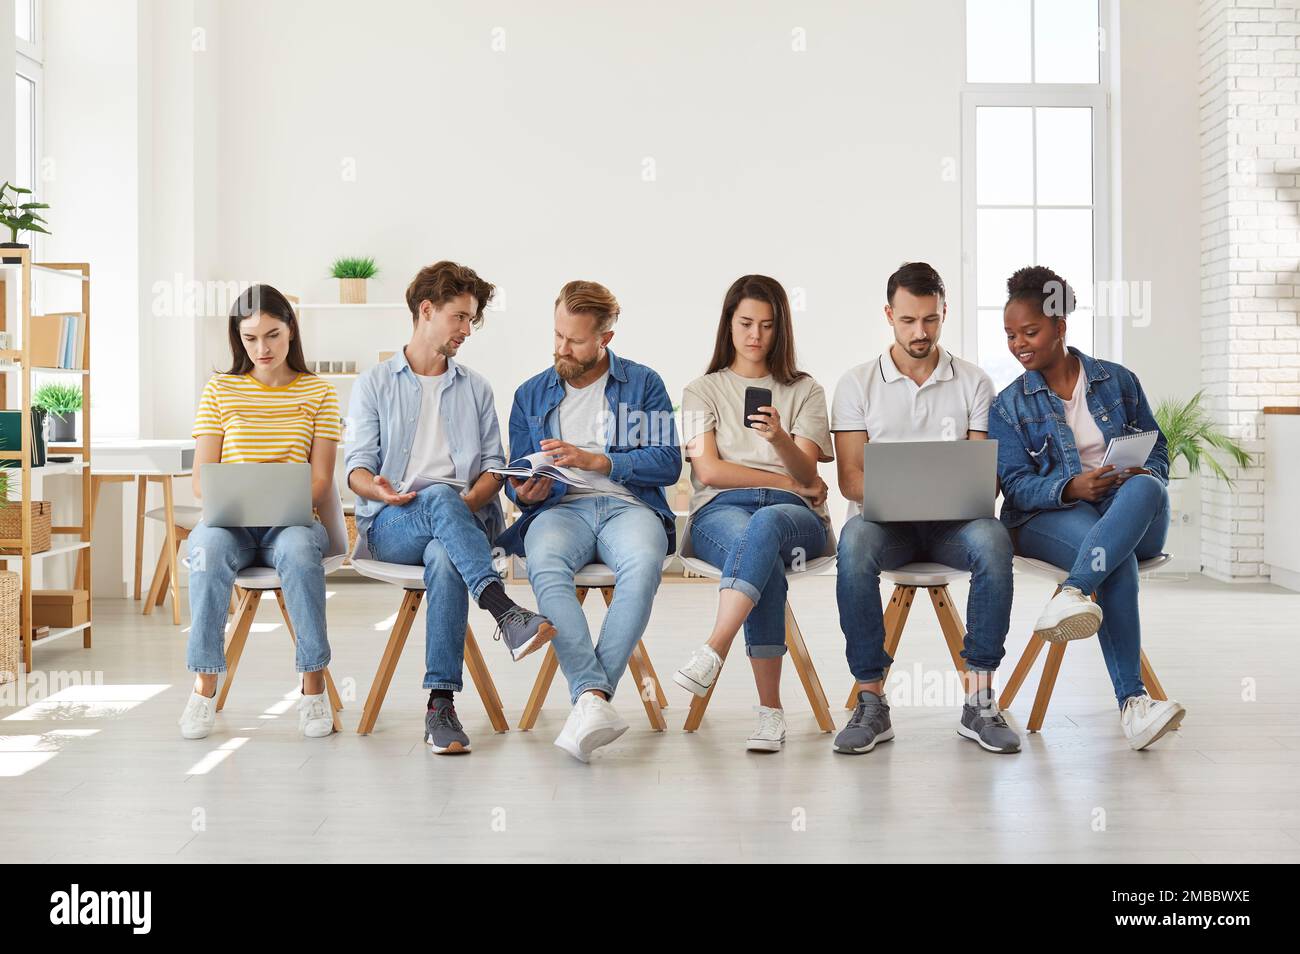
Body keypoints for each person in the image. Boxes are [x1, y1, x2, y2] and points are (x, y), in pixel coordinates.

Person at [345, 261, 554, 755]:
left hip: (458, 524)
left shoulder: (476, 388)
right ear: (426, 310)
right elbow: (355, 469)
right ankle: (502, 608)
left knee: (444, 551)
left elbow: (493, 468)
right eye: (459, 317)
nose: (466, 330)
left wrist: (467, 501)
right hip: (393, 524)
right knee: (438, 497)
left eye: (471, 320)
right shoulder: (375, 384)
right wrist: (378, 490)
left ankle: (441, 707)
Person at [989, 264, 1186, 750]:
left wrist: (1143, 471)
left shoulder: (1117, 381)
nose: (1019, 344)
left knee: (1147, 488)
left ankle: (1072, 593)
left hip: (1129, 512)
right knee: (1110, 561)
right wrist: (1071, 487)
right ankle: (1134, 706)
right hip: (1057, 517)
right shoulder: (1008, 405)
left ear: (1060, 325)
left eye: (1030, 331)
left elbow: (1158, 449)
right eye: (1010, 335)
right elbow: (1013, 487)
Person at [832, 262, 1020, 755]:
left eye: (931, 320)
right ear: (889, 315)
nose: (920, 332)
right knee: (852, 543)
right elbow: (850, 479)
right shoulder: (856, 384)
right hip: (882, 527)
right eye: (909, 320)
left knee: (994, 539)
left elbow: (982, 475)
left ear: (944, 313)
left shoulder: (975, 382)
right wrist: (895, 497)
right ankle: (870, 702)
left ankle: (979, 700)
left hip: (950, 527)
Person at [500, 280, 681, 762]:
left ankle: (587, 698)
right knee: (545, 565)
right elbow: (516, 474)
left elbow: (668, 462)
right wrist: (523, 489)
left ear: (605, 339)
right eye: (557, 335)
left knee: (643, 566)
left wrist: (599, 461)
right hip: (560, 509)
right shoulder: (531, 393)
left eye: (575, 340)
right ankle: (593, 697)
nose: (561, 348)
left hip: (629, 506)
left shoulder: (642, 384)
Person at [672, 274, 833, 752]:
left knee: (764, 526)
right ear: (729, 324)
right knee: (760, 550)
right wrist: (786, 480)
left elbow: (808, 468)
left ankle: (714, 648)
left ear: (781, 328)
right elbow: (710, 470)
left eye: (767, 325)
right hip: (721, 511)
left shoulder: (805, 390)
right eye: (746, 323)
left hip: (793, 517)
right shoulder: (701, 390)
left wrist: (779, 438)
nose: (756, 336)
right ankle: (770, 713)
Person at [180, 284, 341, 740]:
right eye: (250, 338)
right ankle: (203, 688)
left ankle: (312, 690)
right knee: (207, 550)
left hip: (291, 524)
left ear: (291, 329)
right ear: (238, 338)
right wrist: (236, 497)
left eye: (272, 334)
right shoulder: (220, 390)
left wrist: (281, 499)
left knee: (299, 553)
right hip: (229, 526)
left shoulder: (319, 393)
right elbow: (200, 479)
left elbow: (320, 481)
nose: (262, 348)